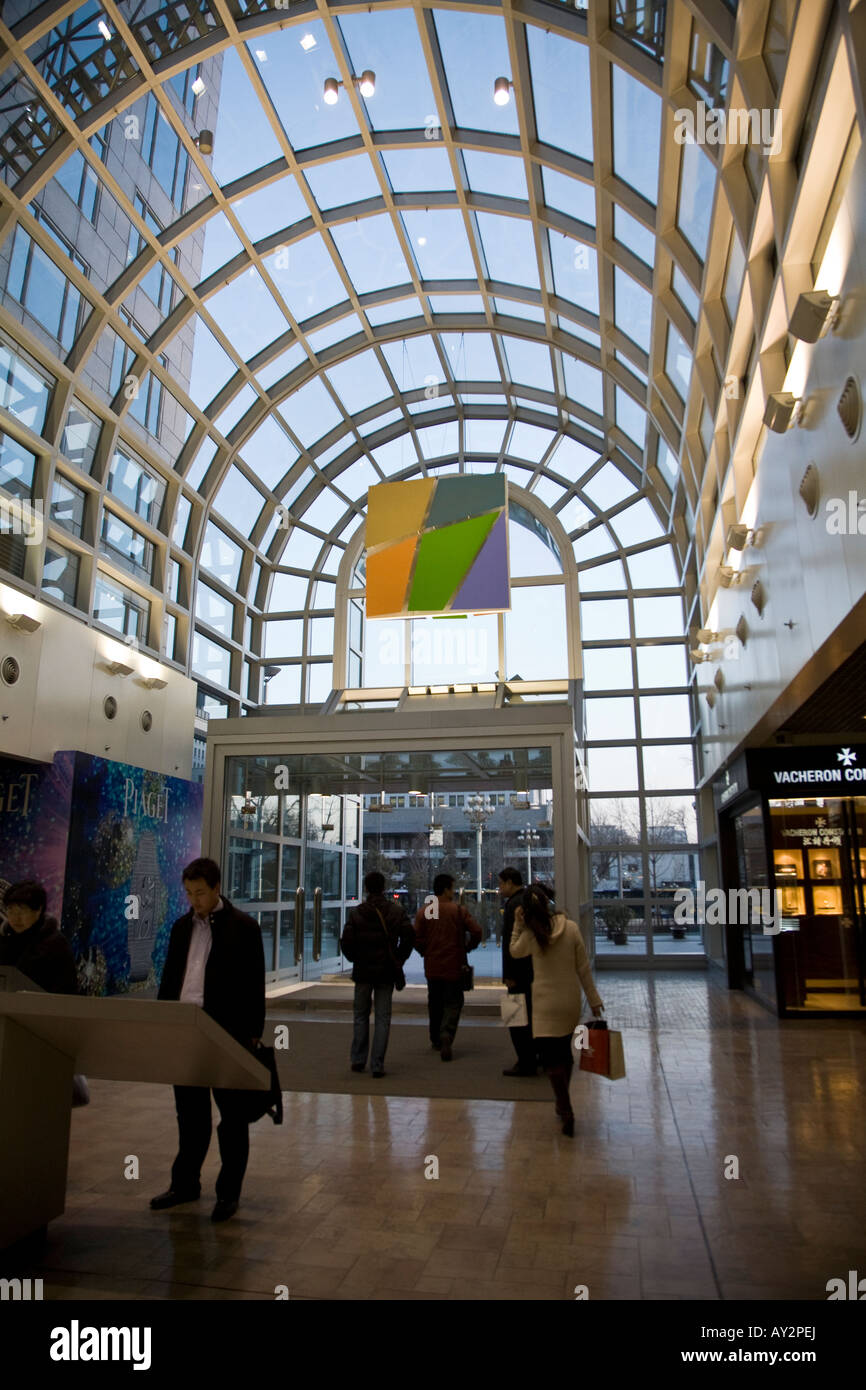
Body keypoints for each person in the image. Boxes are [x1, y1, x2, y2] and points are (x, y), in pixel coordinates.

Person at [151, 857, 265, 1223]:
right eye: (188, 893)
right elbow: (171, 976)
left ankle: (228, 1193)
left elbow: (254, 985)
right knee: (190, 1116)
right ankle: (184, 1185)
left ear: (217, 888)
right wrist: (164, 1020)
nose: (194, 900)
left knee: (232, 1117)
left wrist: (251, 1035)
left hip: (225, 1033)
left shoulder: (244, 927)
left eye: (200, 893)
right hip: (184, 1030)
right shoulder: (181, 927)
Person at [510, 884, 604, 1137]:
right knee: (564, 1052)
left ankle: (564, 1106)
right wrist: (594, 1000)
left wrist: (518, 925)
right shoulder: (571, 929)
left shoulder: (531, 934)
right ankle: (563, 1103)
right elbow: (583, 968)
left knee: (551, 1058)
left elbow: (514, 951)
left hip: (544, 1003)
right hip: (569, 1001)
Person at [340, 871, 414, 1078]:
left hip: (363, 970)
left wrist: (356, 958)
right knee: (383, 1017)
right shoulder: (396, 912)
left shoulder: (357, 913)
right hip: (386, 971)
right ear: (384, 888)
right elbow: (409, 936)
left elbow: (346, 942)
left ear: (366, 888)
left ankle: (358, 1059)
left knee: (360, 1015)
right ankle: (377, 1063)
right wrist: (399, 958)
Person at [413, 874, 481, 1061]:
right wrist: (468, 946)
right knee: (453, 1002)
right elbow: (476, 931)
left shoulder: (425, 911)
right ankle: (447, 1034)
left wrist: (424, 951)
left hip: (432, 966)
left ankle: (435, 1038)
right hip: (454, 965)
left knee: (435, 1002)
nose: (453, 891)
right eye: (452, 888)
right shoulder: (458, 911)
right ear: (445, 889)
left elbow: (416, 937)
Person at [0, 880, 78, 994]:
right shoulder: (4, 940)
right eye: (11, 910)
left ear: (38, 910)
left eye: (22, 911)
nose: (16, 918)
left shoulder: (56, 945)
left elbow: (67, 989)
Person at [498, 866, 538, 1077]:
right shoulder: (529, 899)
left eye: (501, 883)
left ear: (510, 882)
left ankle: (525, 1060)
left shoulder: (514, 904)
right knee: (530, 1015)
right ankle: (534, 1057)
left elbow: (510, 944)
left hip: (518, 971)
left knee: (515, 1017)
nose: (499, 888)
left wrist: (509, 975)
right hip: (532, 969)